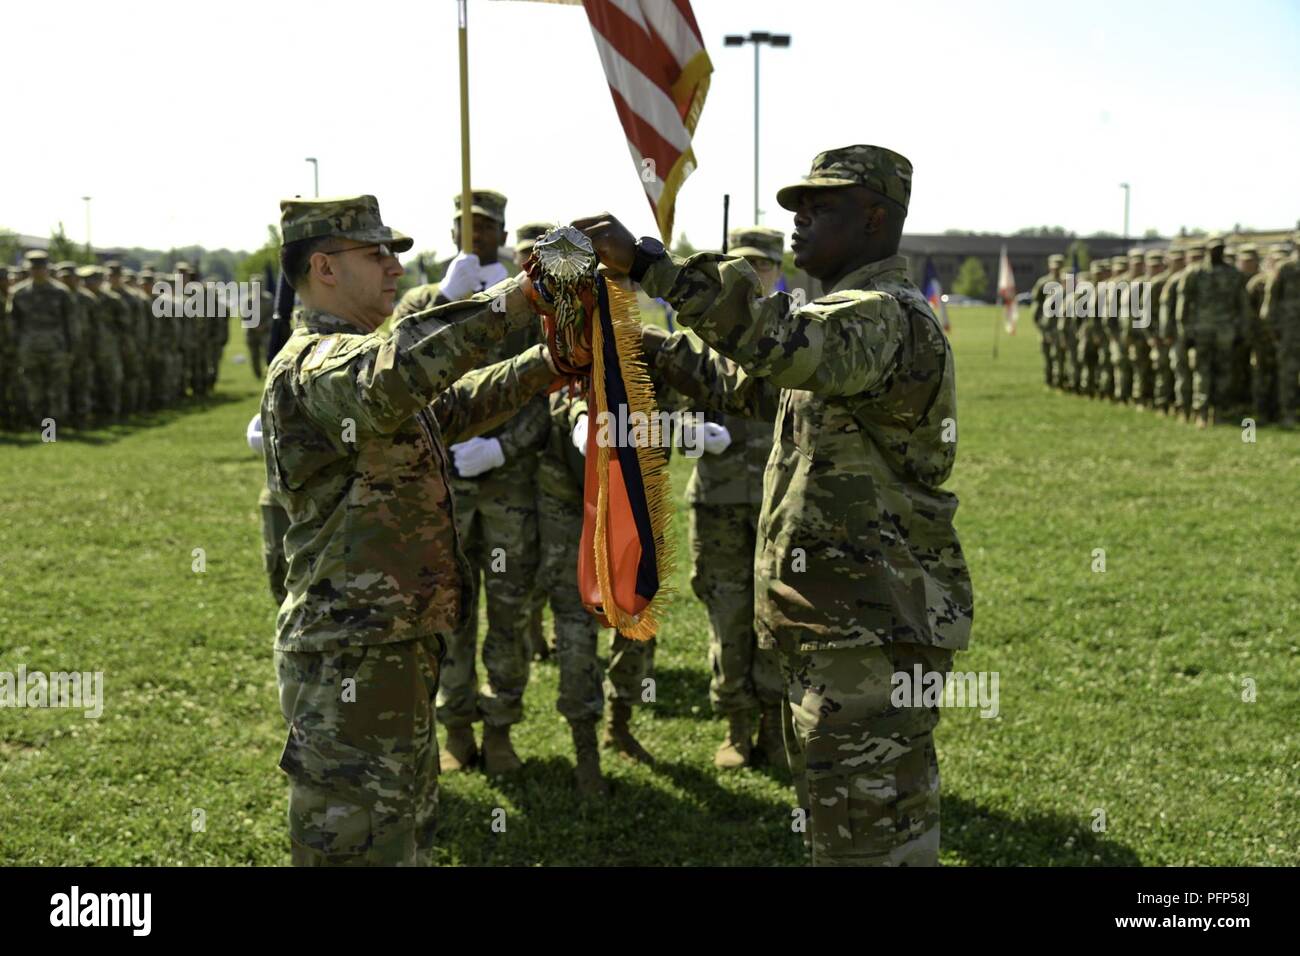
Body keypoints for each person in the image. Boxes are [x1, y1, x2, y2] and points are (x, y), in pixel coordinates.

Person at [575, 144, 974, 866]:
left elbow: (776, 343)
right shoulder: (843, 320)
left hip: (870, 628)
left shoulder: (884, 317)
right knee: (850, 829)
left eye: (821, 208)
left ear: (874, 217)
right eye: (798, 207)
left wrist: (651, 265)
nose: (799, 221)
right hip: (840, 625)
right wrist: (641, 344)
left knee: (868, 837)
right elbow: (748, 384)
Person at [261, 195, 554, 865]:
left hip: (393, 644)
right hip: (350, 656)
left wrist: (548, 362)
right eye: (376, 255)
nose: (394, 269)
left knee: (400, 835)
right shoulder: (317, 363)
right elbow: (395, 373)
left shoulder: (358, 360)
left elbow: (450, 405)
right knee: (357, 845)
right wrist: (519, 297)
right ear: (324, 267)